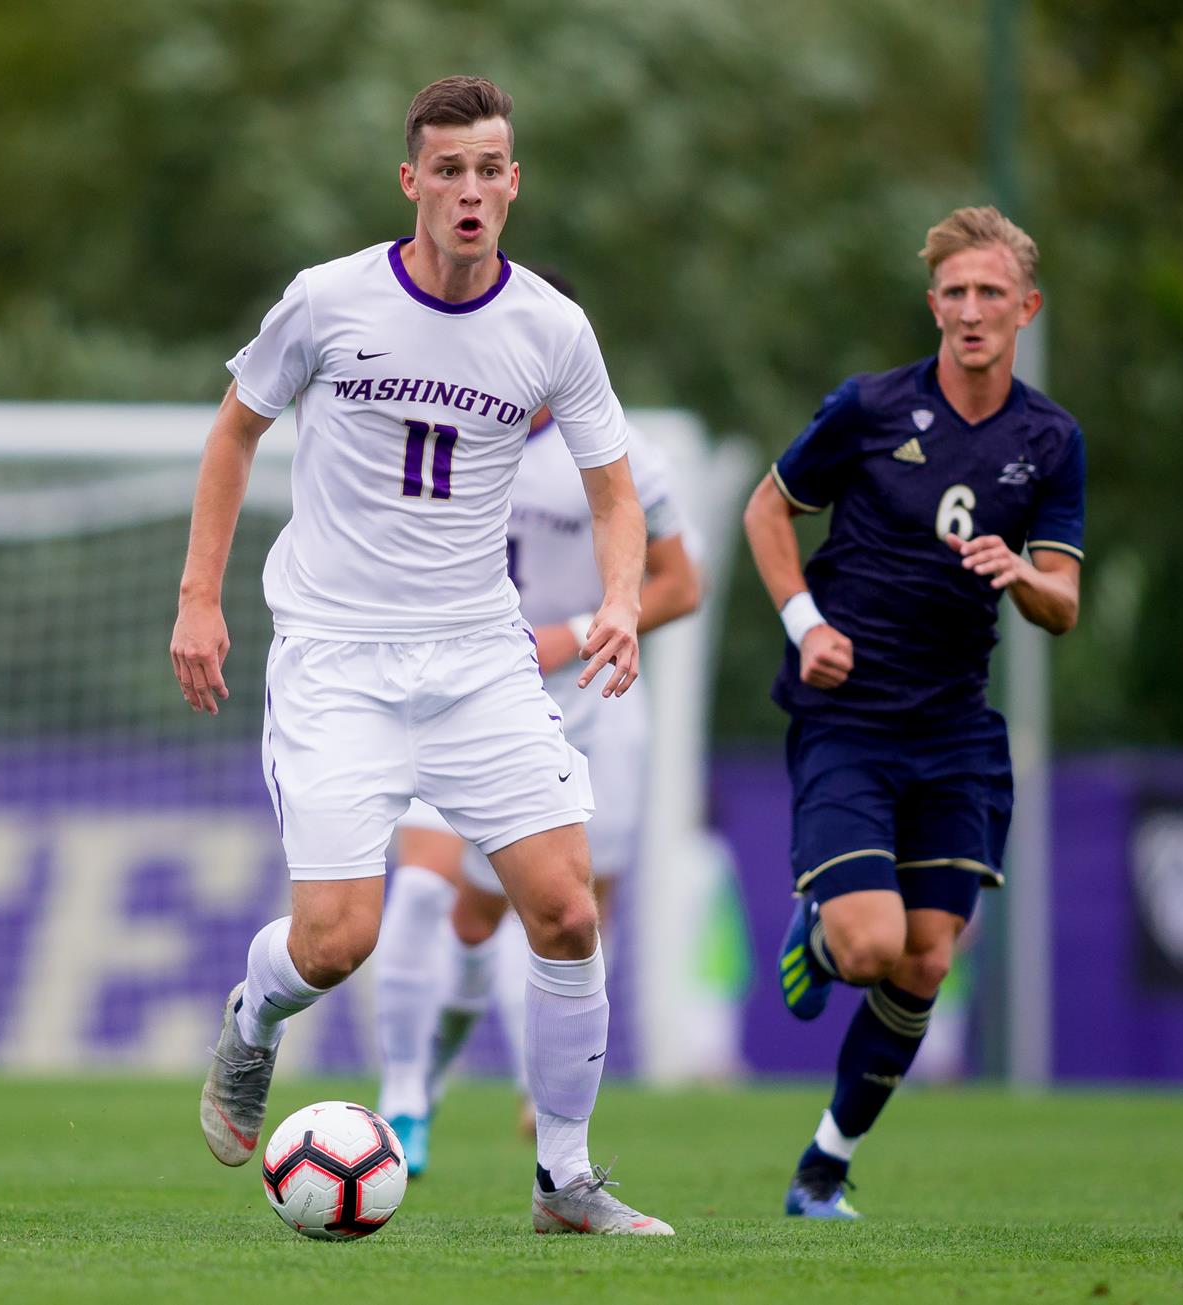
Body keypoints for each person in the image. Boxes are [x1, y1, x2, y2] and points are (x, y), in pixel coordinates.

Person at [170, 75, 672, 1236]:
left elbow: (613, 491)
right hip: (337, 659)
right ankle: (254, 1018)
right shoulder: (327, 300)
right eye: (447, 170)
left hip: (478, 660)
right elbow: (235, 430)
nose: (468, 190)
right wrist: (199, 599)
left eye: (488, 169)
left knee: (565, 912)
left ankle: (563, 1182)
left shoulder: (550, 328)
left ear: (513, 184)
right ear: (411, 181)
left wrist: (617, 600)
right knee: (336, 942)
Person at [740, 206, 1085, 1220]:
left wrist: (1022, 571)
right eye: (955, 293)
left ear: (1026, 308)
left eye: (991, 294)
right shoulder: (870, 407)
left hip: (953, 728)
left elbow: (1062, 604)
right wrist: (804, 622)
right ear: (933, 305)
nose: (971, 311)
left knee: (927, 955)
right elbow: (766, 508)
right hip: (848, 717)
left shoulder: (1050, 440)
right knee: (867, 948)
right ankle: (819, 928)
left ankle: (823, 1167)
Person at [368, 278, 702, 1172]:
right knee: (430, 895)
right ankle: (405, 1099)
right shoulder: (442, 422)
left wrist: (573, 631)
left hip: (586, 707)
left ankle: (537, 1090)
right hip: (452, 695)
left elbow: (681, 583)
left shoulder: (620, 453)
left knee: (567, 911)